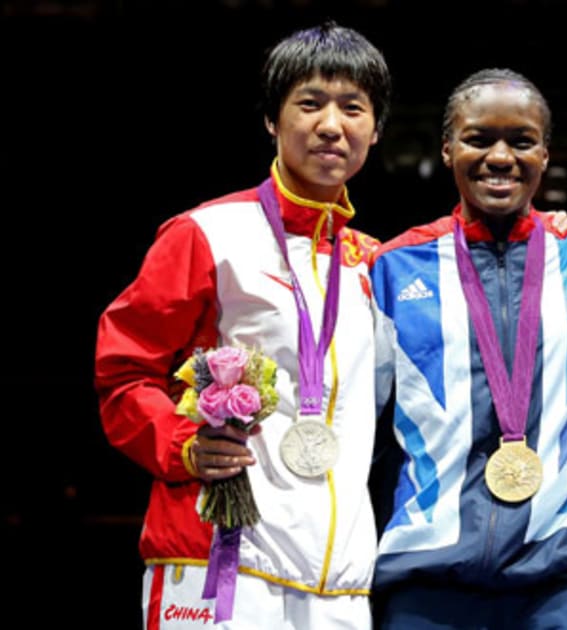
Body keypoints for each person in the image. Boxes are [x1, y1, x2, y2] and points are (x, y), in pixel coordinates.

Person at [95, 22, 391, 628]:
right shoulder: (207, 234)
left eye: (352, 108)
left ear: (376, 129)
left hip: (340, 580)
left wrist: (557, 228)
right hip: (219, 561)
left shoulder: (374, 264)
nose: (331, 125)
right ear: (271, 120)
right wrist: (181, 445)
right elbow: (123, 373)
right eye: (309, 103)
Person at [369, 68, 567, 629]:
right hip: (428, 576)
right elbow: (363, 412)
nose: (501, 157)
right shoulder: (394, 267)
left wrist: (564, 443)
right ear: (447, 149)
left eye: (522, 140)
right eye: (479, 138)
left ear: (545, 153)